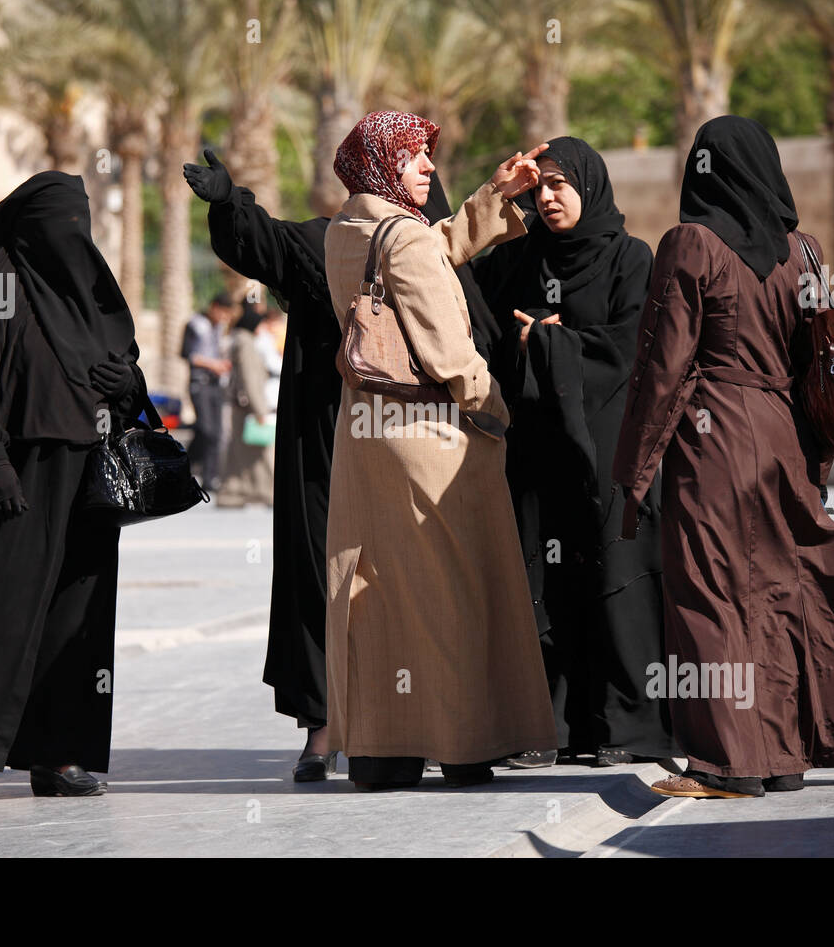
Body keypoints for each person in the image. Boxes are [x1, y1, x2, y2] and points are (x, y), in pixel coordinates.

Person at [612, 116, 834, 799]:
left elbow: (663, 367)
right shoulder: (801, 250)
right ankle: (780, 756)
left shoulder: (690, 243)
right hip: (784, 441)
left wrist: (633, 473)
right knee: (780, 593)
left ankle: (727, 764)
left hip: (712, 437)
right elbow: (820, 355)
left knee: (713, 593)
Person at [186, 150, 510, 782]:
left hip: (422, 446)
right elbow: (266, 245)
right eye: (407, 162)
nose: (421, 175)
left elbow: (469, 313)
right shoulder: (331, 242)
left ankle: (444, 730)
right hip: (330, 438)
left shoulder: (433, 248)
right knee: (325, 576)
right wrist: (230, 202)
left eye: (425, 163)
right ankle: (325, 725)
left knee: (424, 583)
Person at [322, 110, 558, 789]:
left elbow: (427, 247)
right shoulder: (405, 239)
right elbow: (448, 351)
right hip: (428, 435)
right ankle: (461, 742)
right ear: (383, 165)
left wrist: (493, 195)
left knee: (376, 591)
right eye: (416, 158)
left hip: (365, 433)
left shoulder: (349, 227)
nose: (429, 169)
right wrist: (495, 412)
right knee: (447, 592)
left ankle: (381, 750)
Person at [0, 171, 150, 806]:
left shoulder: (92, 292)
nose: (75, 236)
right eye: (62, 223)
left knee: (77, 620)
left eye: (83, 222)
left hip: (87, 479)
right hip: (9, 477)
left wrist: (127, 389)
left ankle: (58, 755)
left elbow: (130, 376)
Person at [468, 137, 676, 768]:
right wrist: (496, 196)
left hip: (610, 448)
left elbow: (633, 345)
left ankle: (626, 725)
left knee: (616, 577)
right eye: (539, 188)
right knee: (542, 579)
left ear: (590, 186)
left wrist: (562, 345)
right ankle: (546, 725)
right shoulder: (520, 257)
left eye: (559, 185)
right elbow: (469, 308)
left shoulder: (629, 258)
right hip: (536, 449)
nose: (548, 197)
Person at [215, 305, 276, 507]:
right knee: (261, 451)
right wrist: (259, 409)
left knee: (239, 452)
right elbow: (249, 378)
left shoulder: (239, 339)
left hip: (240, 406)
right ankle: (267, 493)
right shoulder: (246, 344)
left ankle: (233, 493)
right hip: (248, 407)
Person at [181, 292, 233, 492]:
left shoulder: (220, 328)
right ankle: (185, 464)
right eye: (222, 313)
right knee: (205, 429)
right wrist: (213, 365)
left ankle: (210, 479)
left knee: (216, 433)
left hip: (216, 385)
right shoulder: (195, 324)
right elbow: (187, 354)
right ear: (214, 307)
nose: (223, 318)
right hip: (200, 383)